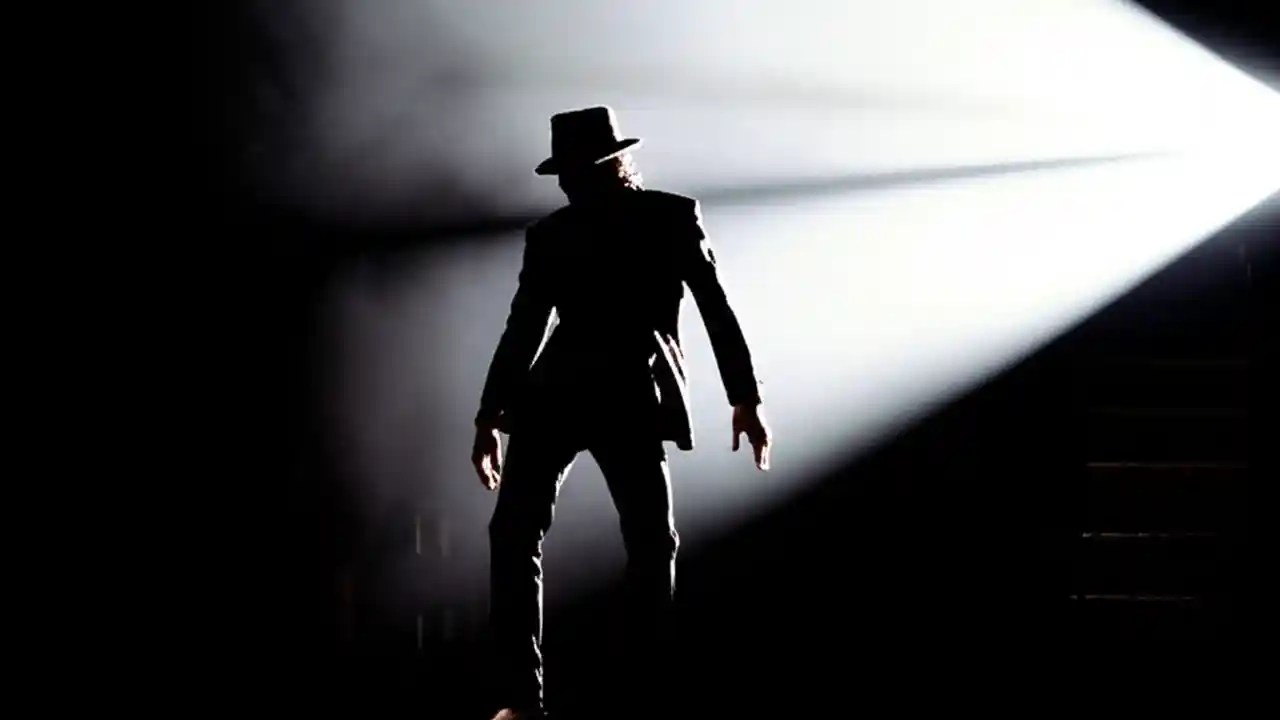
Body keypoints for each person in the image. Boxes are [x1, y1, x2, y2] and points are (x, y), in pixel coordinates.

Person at [473, 106, 772, 720]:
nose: (566, 184)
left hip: (622, 395)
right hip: (568, 396)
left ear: (609, 165)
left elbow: (716, 307)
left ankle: (634, 692)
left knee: (648, 542)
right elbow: (524, 328)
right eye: (564, 174)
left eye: (575, 171)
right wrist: (488, 415)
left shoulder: (666, 217)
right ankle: (525, 700)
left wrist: (745, 397)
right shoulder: (559, 233)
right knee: (527, 535)